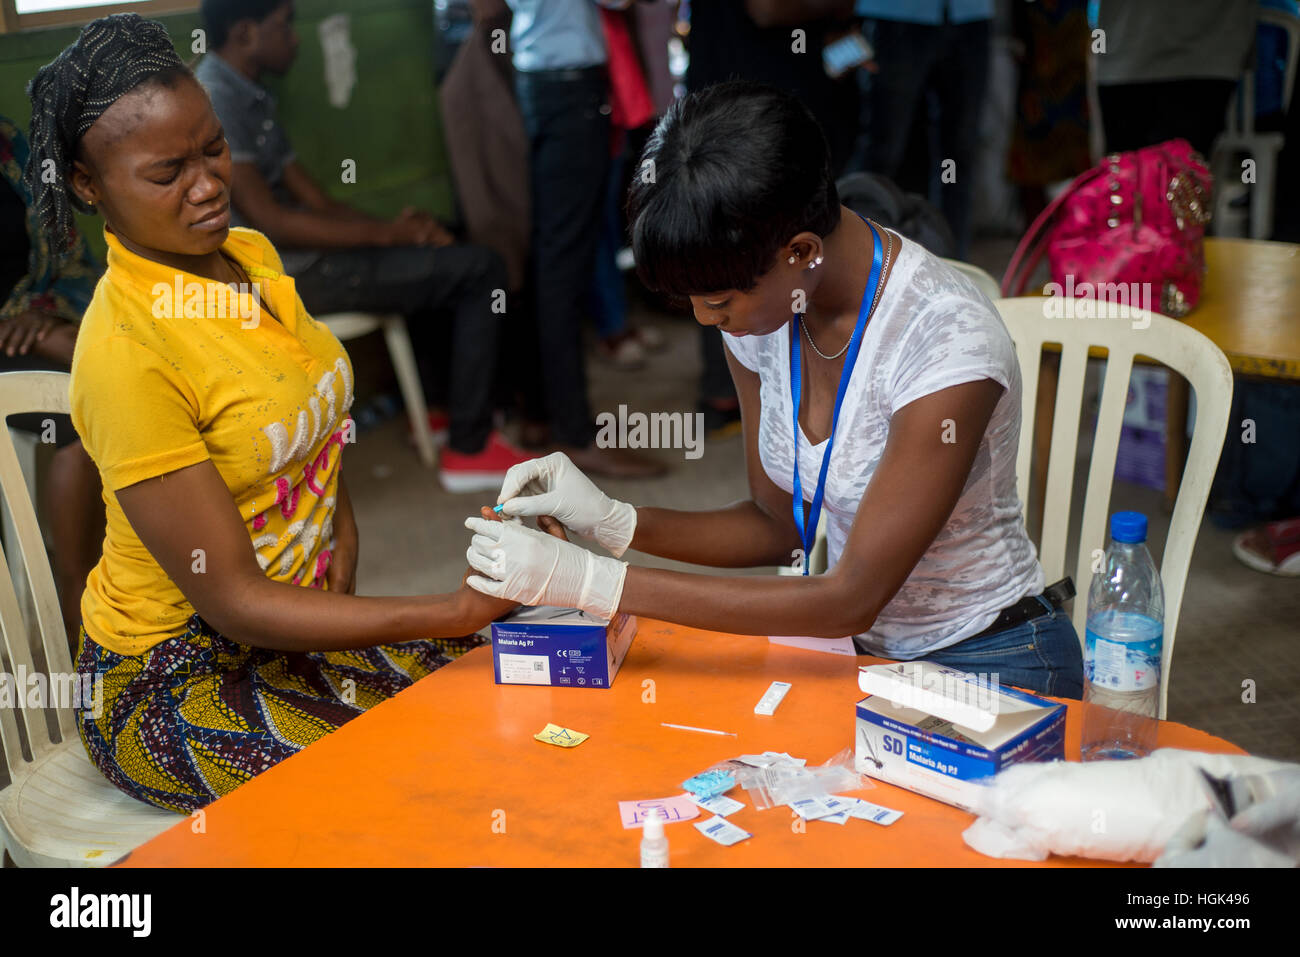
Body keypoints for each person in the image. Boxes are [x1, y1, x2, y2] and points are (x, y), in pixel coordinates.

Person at [24, 13, 552, 813]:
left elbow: (311, 403)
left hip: (290, 624)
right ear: (89, 185)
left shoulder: (250, 256)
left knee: (497, 675)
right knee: (403, 771)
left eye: (213, 149)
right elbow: (230, 598)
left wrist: (336, 519)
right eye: (167, 172)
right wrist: (450, 605)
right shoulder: (126, 349)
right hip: (171, 678)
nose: (206, 185)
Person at [465, 82, 1083, 699]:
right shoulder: (763, 316)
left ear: (801, 252)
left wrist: (594, 582)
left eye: (717, 301)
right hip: (857, 655)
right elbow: (778, 524)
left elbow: (849, 600)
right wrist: (615, 521)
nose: (706, 321)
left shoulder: (945, 343)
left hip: (989, 658)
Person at [194, 0, 531, 493]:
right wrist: (392, 237)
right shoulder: (216, 98)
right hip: (285, 277)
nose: (296, 38)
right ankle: (470, 445)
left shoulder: (249, 91)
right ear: (245, 33)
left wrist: (403, 229)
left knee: (440, 247)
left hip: (303, 261)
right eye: (284, 25)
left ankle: (439, 415)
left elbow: (314, 200)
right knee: (481, 269)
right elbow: (276, 223)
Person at [505, 0, 665, 477]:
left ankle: (539, 414)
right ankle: (573, 434)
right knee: (563, 263)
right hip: (571, 88)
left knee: (547, 254)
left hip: (535, 80)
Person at [0, 115, 103, 651]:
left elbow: (64, 260)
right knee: (79, 408)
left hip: (32, 321)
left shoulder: (10, 146)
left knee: (103, 374)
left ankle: (124, 574)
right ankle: (74, 597)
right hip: (15, 338)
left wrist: (43, 314)